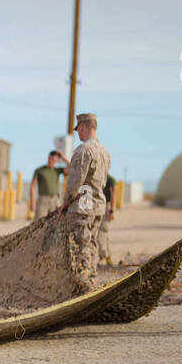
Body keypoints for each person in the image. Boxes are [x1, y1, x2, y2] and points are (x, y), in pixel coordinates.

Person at [60, 113, 110, 290]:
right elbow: (103, 180)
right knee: (92, 245)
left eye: (78, 130)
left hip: (82, 206)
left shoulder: (83, 151)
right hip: (98, 207)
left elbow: (74, 182)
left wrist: (65, 202)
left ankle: (82, 286)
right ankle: (91, 279)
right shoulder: (104, 152)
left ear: (82, 127)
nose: (78, 134)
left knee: (80, 245)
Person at [30, 151, 66, 219]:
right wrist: (32, 202)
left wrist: (62, 157)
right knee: (39, 222)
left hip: (55, 200)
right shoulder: (39, 170)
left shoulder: (57, 170)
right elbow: (32, 186)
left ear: (57, 160)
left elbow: (71, 167)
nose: (50, 160)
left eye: (53, 159)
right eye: (49, 158)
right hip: (43, 200)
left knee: (56, 221)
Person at [97, 174, 116, 266]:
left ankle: (103, 257)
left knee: (101, 232)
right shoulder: (98, 176)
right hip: (99, 205)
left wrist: (111, 210)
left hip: (106, 206)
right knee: (104, 233)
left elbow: (113, 195)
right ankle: (108, 257)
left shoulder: (110, 179)